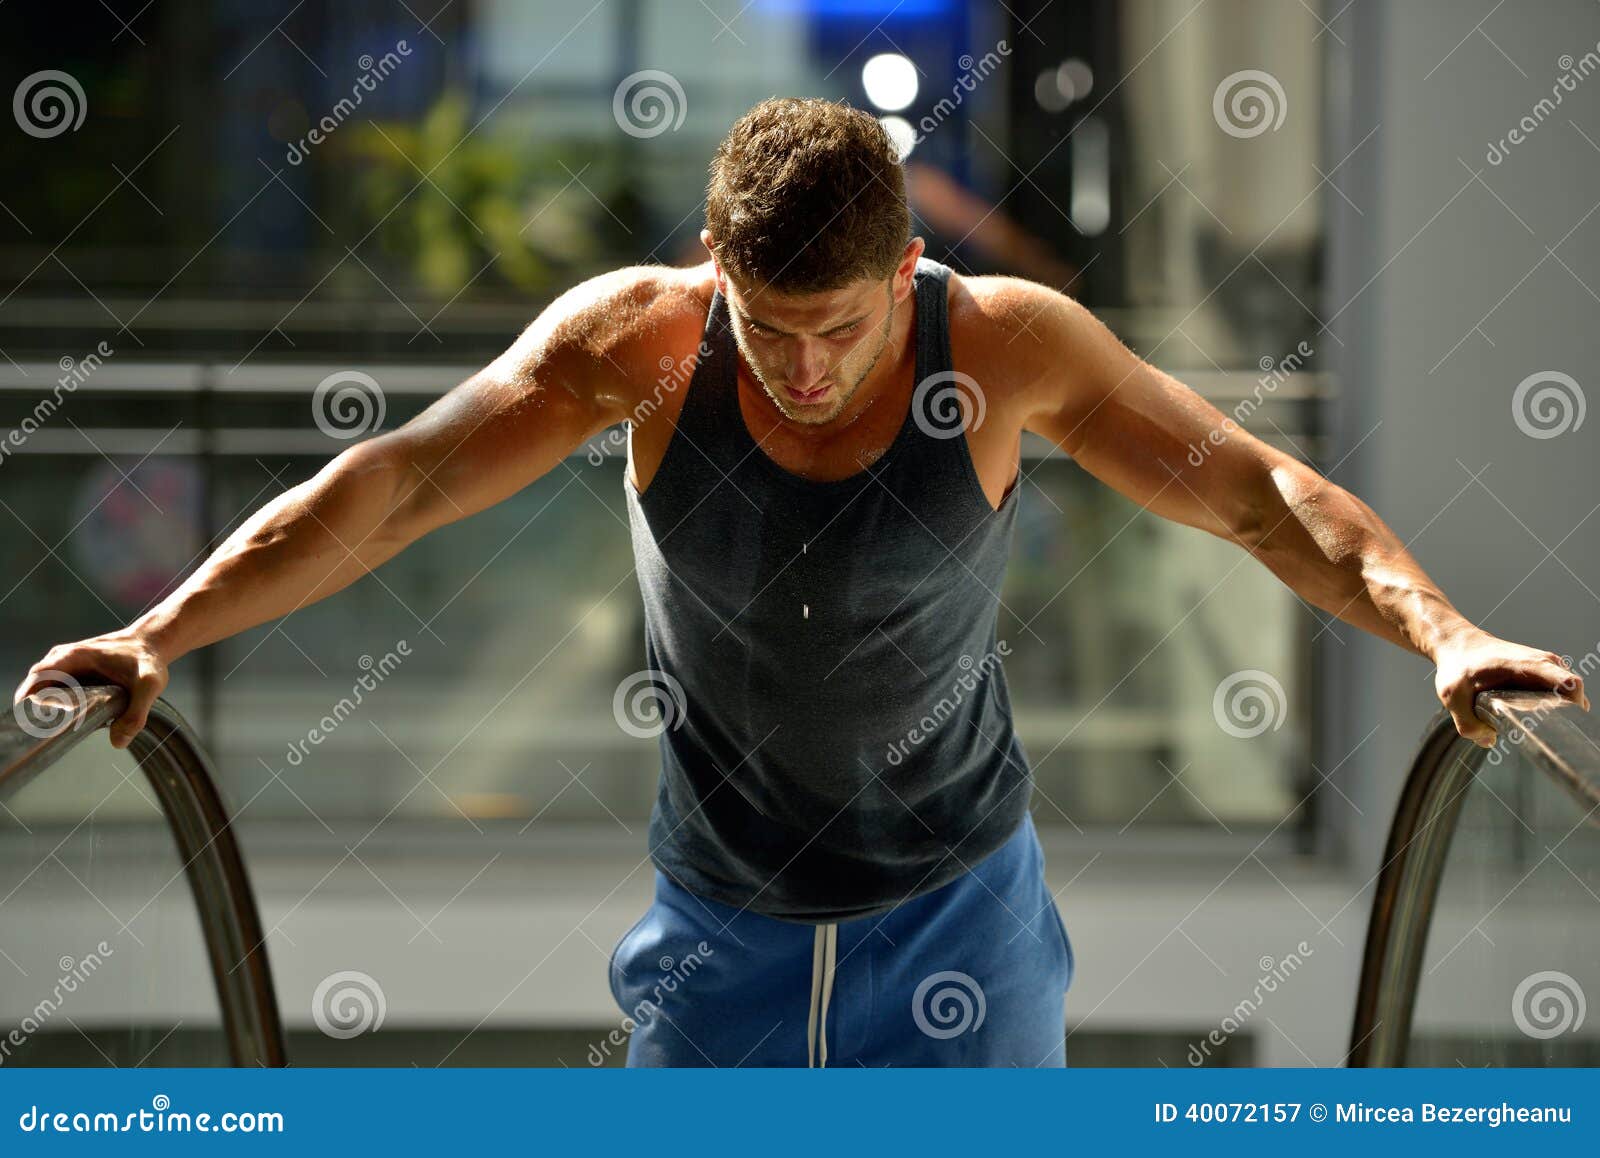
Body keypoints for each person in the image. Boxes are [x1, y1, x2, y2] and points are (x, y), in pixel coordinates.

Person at [14, 98, 1587, 1067]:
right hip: (718, 920)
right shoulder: (633, 341)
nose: (811, 364)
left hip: (965, 917)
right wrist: (163, 629)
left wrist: (1441, 631)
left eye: (845, 324)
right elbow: (399, 482)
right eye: (771, 326)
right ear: (715, 266)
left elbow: (1261, 497)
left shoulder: (1005, 343)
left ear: (905, 273)